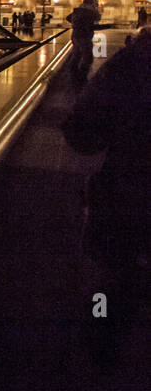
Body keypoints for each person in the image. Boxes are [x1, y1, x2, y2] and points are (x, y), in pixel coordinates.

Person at [62, 26, 151, 365]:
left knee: (119, 279)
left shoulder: (134, 63)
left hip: (130, 193)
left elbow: (81, 132)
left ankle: (102, 355)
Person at [65, 0, 106, 83]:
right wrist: (108, 26)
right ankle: (81, 77)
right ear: (90, 3)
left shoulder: (78, 11)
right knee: (88, 57)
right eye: (95, 3)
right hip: (84, 36)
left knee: (76, 55)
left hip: (76, 35)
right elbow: (92, 26)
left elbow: (68, 17)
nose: (97, 5)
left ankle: (72, 75)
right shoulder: (89, 13)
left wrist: (76, 25)